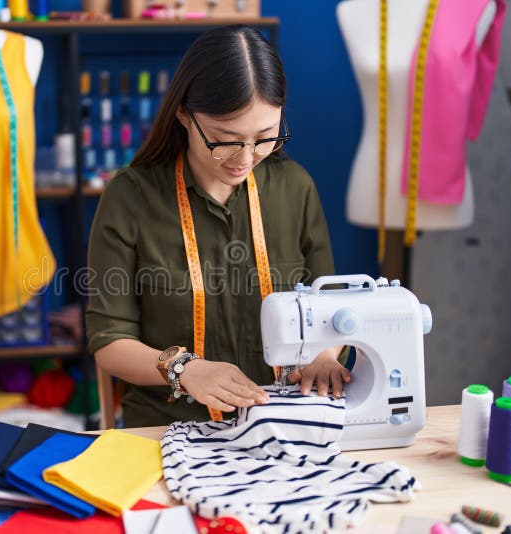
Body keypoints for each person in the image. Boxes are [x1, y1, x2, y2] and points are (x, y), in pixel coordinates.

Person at [86, 25, 348, 428]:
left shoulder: (294, 187)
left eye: (265, 137)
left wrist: (325, 357)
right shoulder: (129, 197)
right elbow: (109, 340)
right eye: (225, 139)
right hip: (167, 426)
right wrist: (184, 370)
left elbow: (331, 307)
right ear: (183, 114)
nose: (245, 158)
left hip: (284, 421)